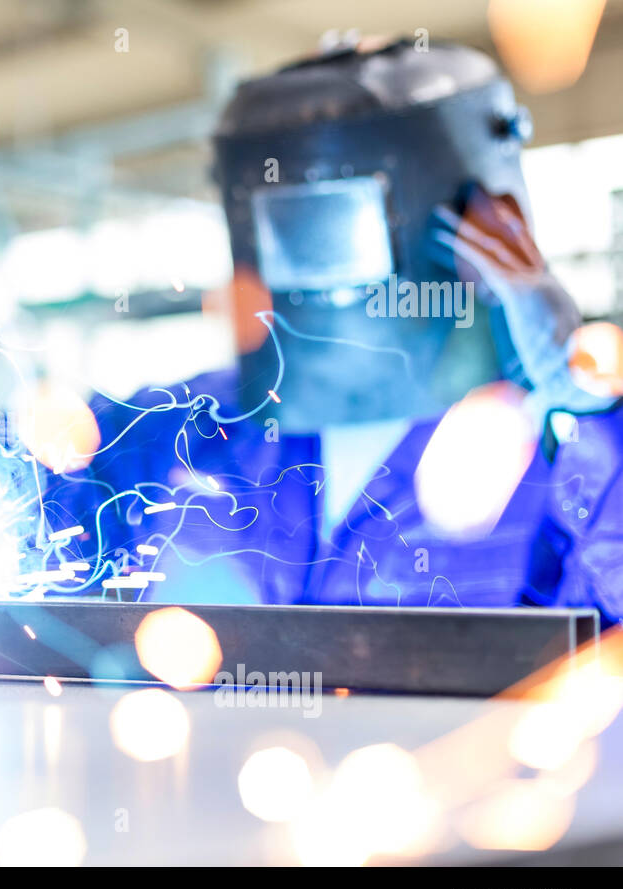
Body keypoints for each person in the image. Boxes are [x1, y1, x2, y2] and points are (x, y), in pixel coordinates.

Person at [41, 36, 623, 625]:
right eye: (290, 227)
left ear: (491, 220)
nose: (318, 276)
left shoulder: (557, 454)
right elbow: (54, 487)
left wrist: (590, 415)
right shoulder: (202, 427)